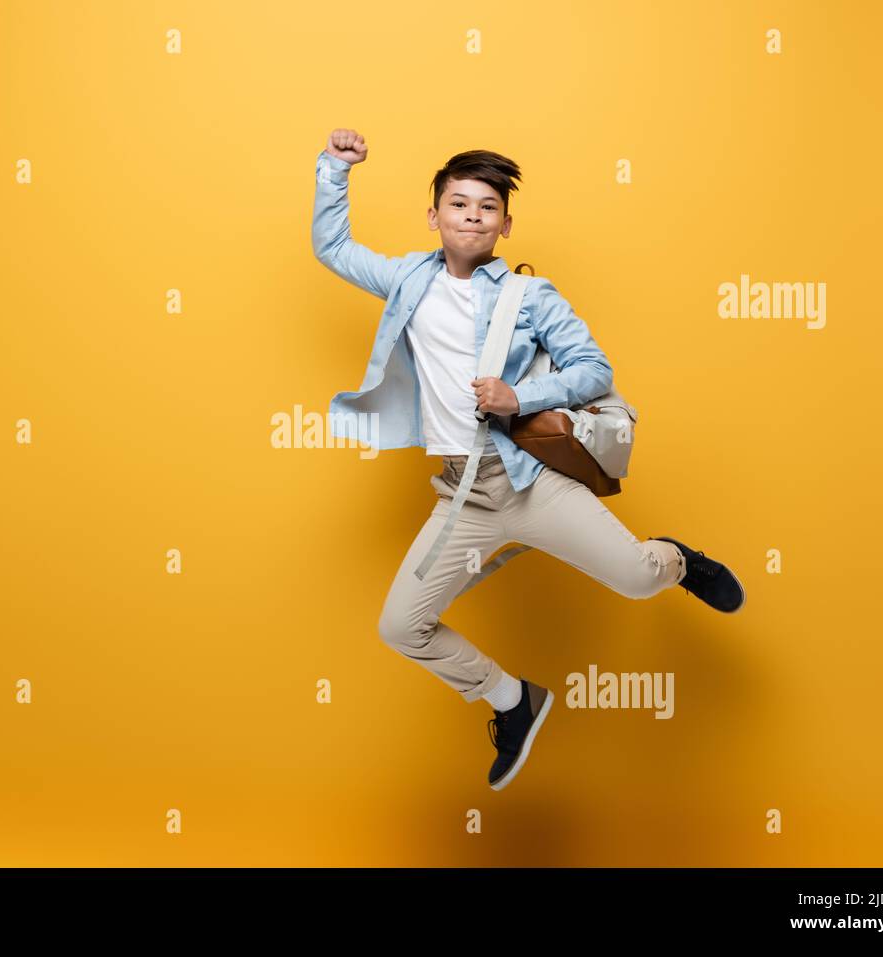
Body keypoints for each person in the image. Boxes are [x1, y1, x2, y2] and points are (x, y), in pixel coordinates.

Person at [312, 128, 746, 790]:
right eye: (458, 204)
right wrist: (335, 170)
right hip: (464, 496)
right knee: (402, 626)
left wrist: (522, 394)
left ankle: (679, 559)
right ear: (434, 215)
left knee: (635, 577)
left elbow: (594, 368)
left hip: (532, 483)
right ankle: (514, 700)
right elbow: (333, 247)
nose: (471, 216)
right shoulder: (407, 279)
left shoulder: (530, 297)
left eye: (486, 207)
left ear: (505, 224)